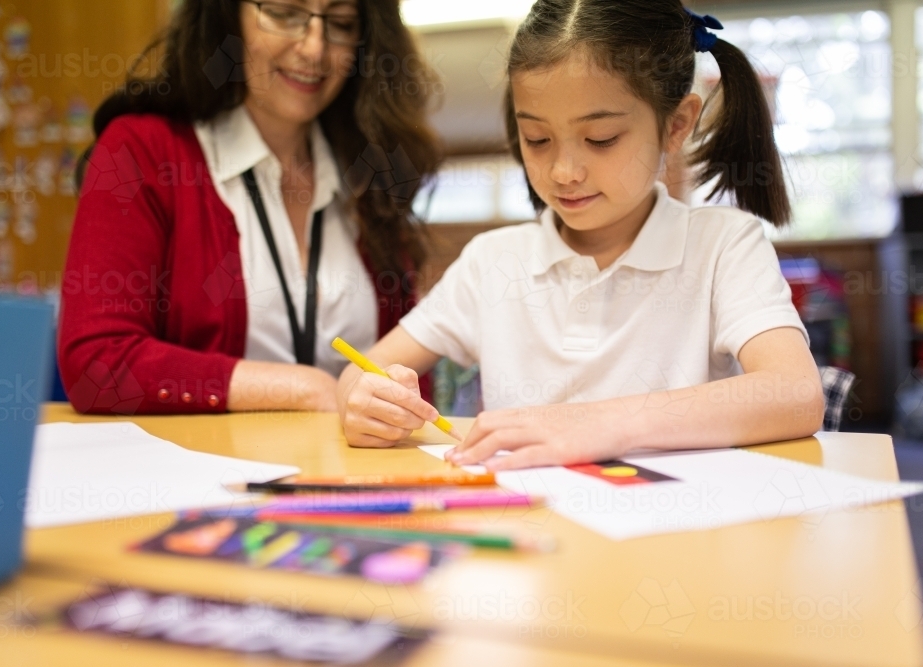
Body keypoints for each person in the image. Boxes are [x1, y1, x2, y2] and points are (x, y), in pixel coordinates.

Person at [337, 0, 824, 469]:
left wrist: (599, 422)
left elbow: (795, 393)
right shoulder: (494, 262)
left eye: (600, 140)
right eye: (538, 140)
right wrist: (364, 398)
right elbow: (360, 369)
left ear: (676, 125)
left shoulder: (722, 245)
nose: (564, 171)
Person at [58, 0, 441, 415]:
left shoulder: (370, 172)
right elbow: (98, 363)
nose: (314, 49)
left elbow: (411, 370)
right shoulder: (140, 151)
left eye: (340, 23)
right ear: (226, 15)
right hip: (201, 475)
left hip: (351, 476)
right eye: (284, 13)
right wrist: (304, 390)